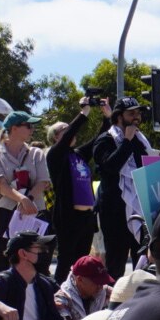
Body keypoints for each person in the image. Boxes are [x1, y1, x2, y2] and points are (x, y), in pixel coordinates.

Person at [91, 97, 154, 279]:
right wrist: (126, 141)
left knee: (142, 260)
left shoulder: (141, 141)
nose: (136, 117)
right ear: (119, 117)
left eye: (138, 113)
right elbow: (110, 166)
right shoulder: (105, 140)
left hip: (139, 210)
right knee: (116, 263)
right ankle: (114, 301)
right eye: (131, 113)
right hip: (115, 211)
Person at [46, 96, 106, 283]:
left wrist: (107, 117)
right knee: (65, 262)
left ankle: (79, 297)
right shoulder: (55, 155)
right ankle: (58, 296)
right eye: (64, 130)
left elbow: (98, 139)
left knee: (81, 264)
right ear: (56, 137)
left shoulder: (78, 155)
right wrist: (83, 114)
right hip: (68, 219)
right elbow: (70, 134)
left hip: (86, 218)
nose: (70, 132)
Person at [0, 111, 50, 271]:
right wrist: (22, 199)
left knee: (36, 264)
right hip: (4, 214)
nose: (32, 129)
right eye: (28, 126)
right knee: (2, 264)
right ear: (14, 128)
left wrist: (29, 199)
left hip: (34, 214)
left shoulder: (36, 153)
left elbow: (43, 181)